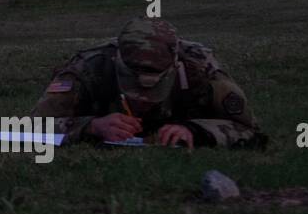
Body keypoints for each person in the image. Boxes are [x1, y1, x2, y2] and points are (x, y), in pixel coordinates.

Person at [27, 18, 265, 148]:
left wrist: (195, 131)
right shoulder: (89, 68)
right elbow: (25, 131)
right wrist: (90, 127)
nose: (142, 99)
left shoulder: (200, 68)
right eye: (133, 89)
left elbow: (250, 129)